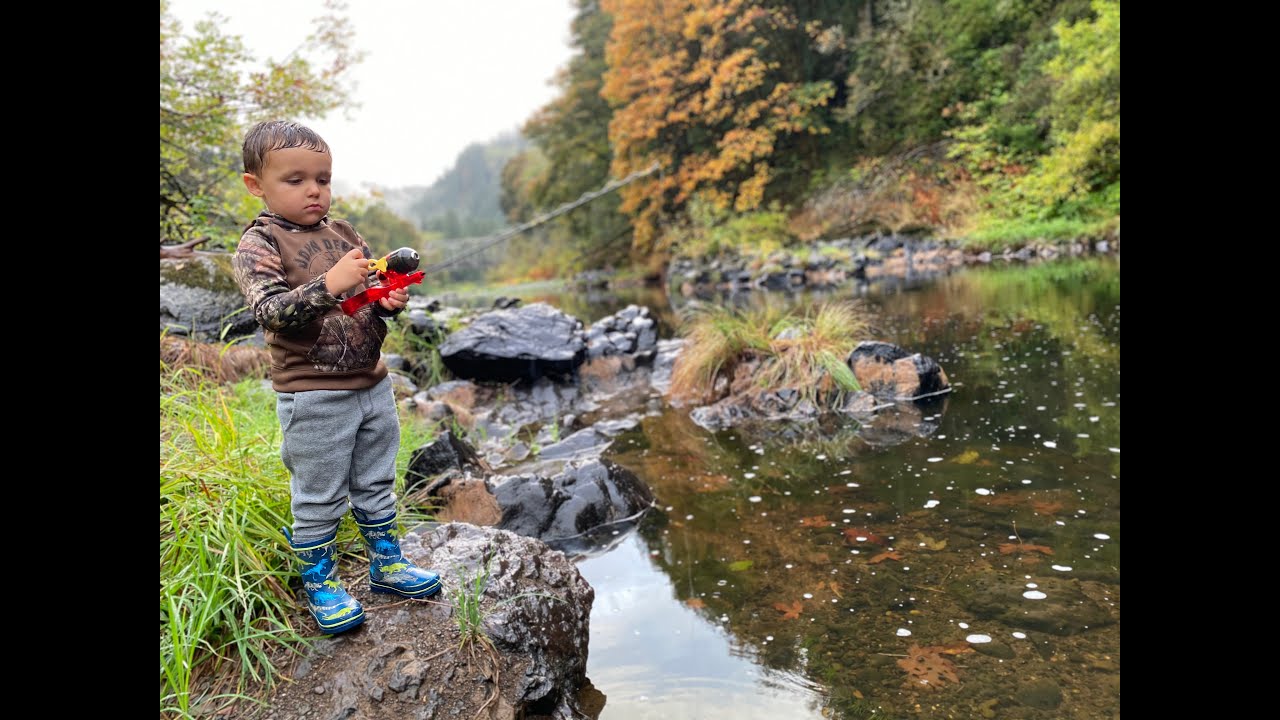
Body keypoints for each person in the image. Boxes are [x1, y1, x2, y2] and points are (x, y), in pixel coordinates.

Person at [231, 120, 441, 635]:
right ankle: (321, 582)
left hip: (372, 385)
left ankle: (387, 564)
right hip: (313, 395)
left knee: (376, 479)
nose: (313, 190)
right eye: (295, 179)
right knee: (319, 492)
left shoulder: (345, 234)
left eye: (322, 179)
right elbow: (271, 312)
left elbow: (363, 300)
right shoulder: (259, 244)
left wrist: (387, 300)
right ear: (256, 185)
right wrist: (329, 283)